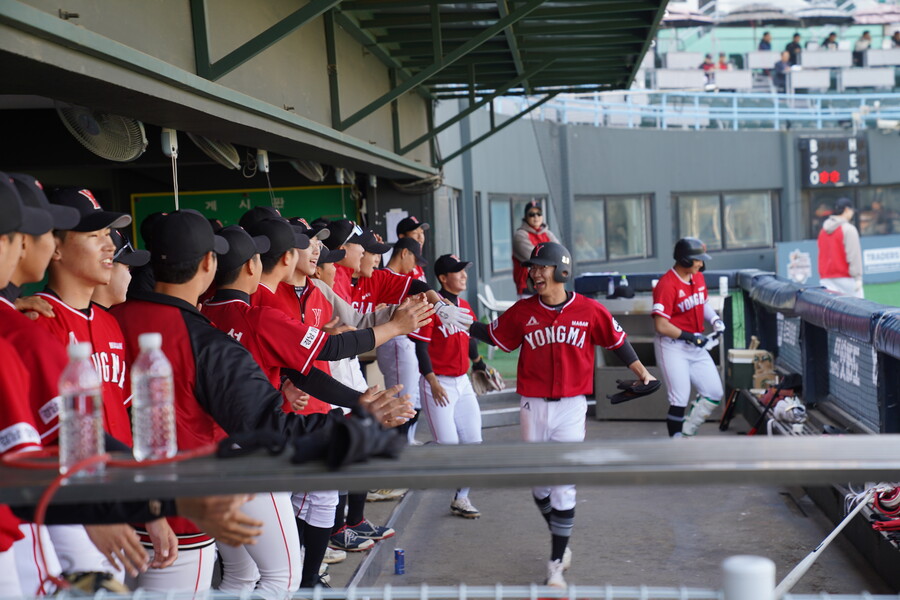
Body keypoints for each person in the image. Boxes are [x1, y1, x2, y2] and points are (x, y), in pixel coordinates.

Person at [111, 210, 410, 592]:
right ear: (208, 263)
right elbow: (270, 427)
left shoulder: (110, 320)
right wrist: (358, 422)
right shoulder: (210, 339)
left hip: (112, 501)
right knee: (279, 575)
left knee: (242, 573)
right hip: (183, 505)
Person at [469, 242, 655, 588]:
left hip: (571, 407)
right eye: (533, 267)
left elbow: (617, 341)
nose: (534, 273)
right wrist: (461, 317)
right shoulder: (523, 311)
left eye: (541, 267)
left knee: (563, 486)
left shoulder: (589, 309)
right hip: (533, 405)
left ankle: (555, 562)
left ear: (561, 270)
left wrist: (643, 373)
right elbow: (496, 336)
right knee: (540, 487)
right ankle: (561, 535)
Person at [415, 254, 488, 519]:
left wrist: (479, 363)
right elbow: (420, 347)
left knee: (472, 443)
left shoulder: (466, 307)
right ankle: (415, 460)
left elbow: (469, 339)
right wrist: (431, 380)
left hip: (463, 382)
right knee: (447, 444)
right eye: (458, 272)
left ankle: (462, 498)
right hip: (439, 381)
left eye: (464, 270)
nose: (464, 275)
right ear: (443, 278)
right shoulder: (431, 307)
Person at [651, 237, 726, 438]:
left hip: (695, 344)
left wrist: (715, 319)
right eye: (697, 259)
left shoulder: (698, 277)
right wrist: (690, 337)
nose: (701, 263)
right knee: (679, 399)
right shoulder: (667, 284)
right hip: (672, 346)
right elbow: (661, 325)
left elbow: (702, 304)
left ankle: (686, 432)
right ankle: (676, 444)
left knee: (714, 392)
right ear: (684, 260)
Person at [817, 197, 863, 298]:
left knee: (832, 313)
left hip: (826, 278)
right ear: (846, 210)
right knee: (857, 311)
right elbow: (853, 255)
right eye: (851, 211)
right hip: (846, 278)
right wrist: (858, 277)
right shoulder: (848, 229)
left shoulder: (822, 231)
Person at [512, 200, 559, 298]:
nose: (536, 217)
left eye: (539, 213)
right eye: (532, 214)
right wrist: (550, 256)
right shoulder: (520, 235)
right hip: (528, 286)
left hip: (549, 284)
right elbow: (535, 258)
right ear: (526, 217)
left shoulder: (548, 234)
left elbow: (559, 253)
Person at [396, 215, 429, 282]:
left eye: (422, 232)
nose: (420, 237)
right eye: (415, 233)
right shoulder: (403, 266)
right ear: (402, 237)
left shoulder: (416, 262)